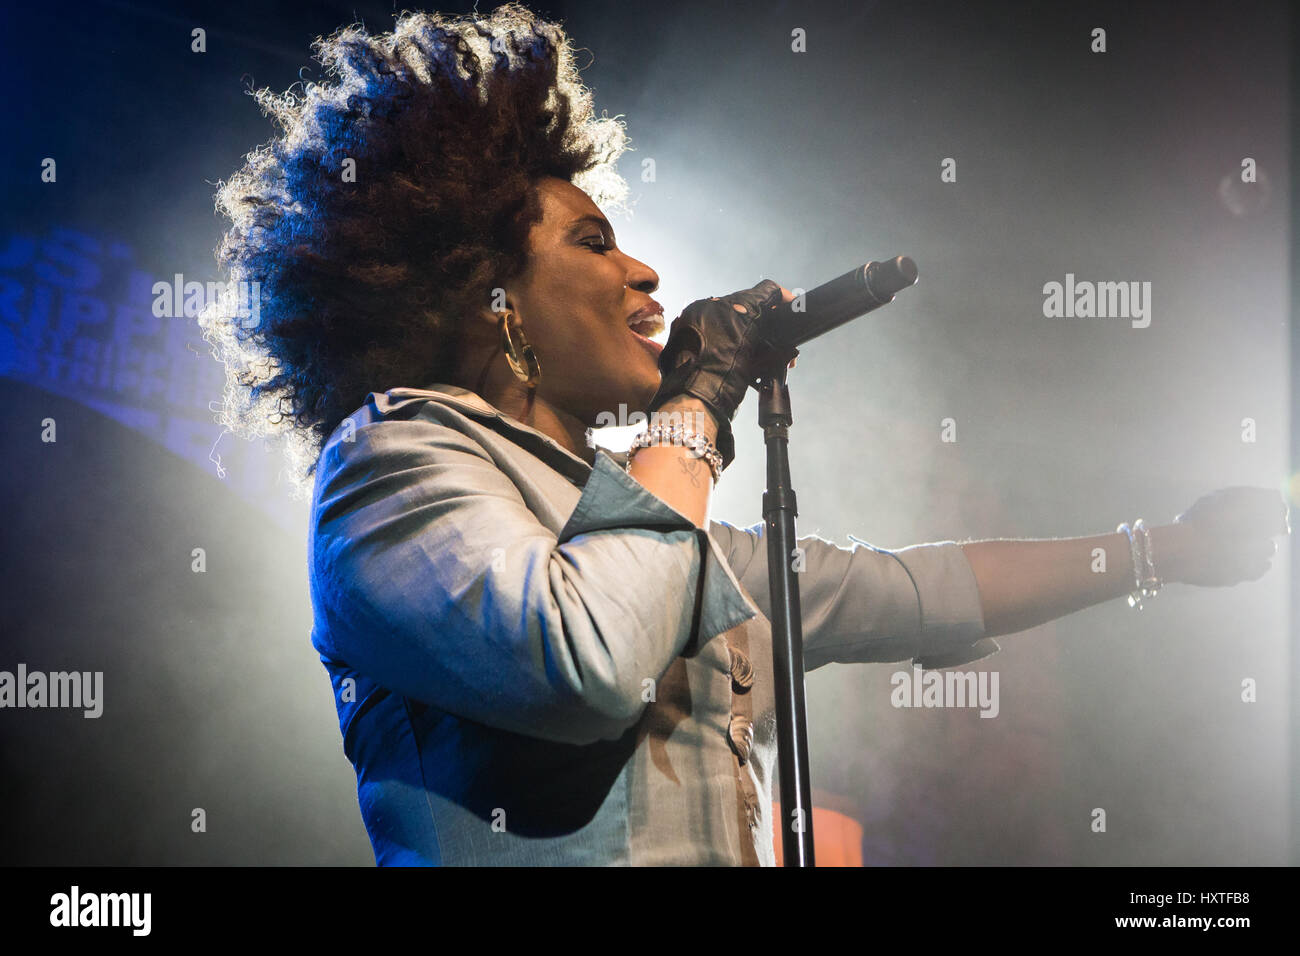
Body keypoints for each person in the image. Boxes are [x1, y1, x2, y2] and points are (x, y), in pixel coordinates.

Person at [200, 4, 1290, 866]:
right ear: (493, 294)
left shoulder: (658, 526)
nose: (647, 273)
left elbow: (912, 589)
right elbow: (582, 663)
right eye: (594, 242)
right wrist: (697, 404)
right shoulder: (388, 465)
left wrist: (1169, 550)